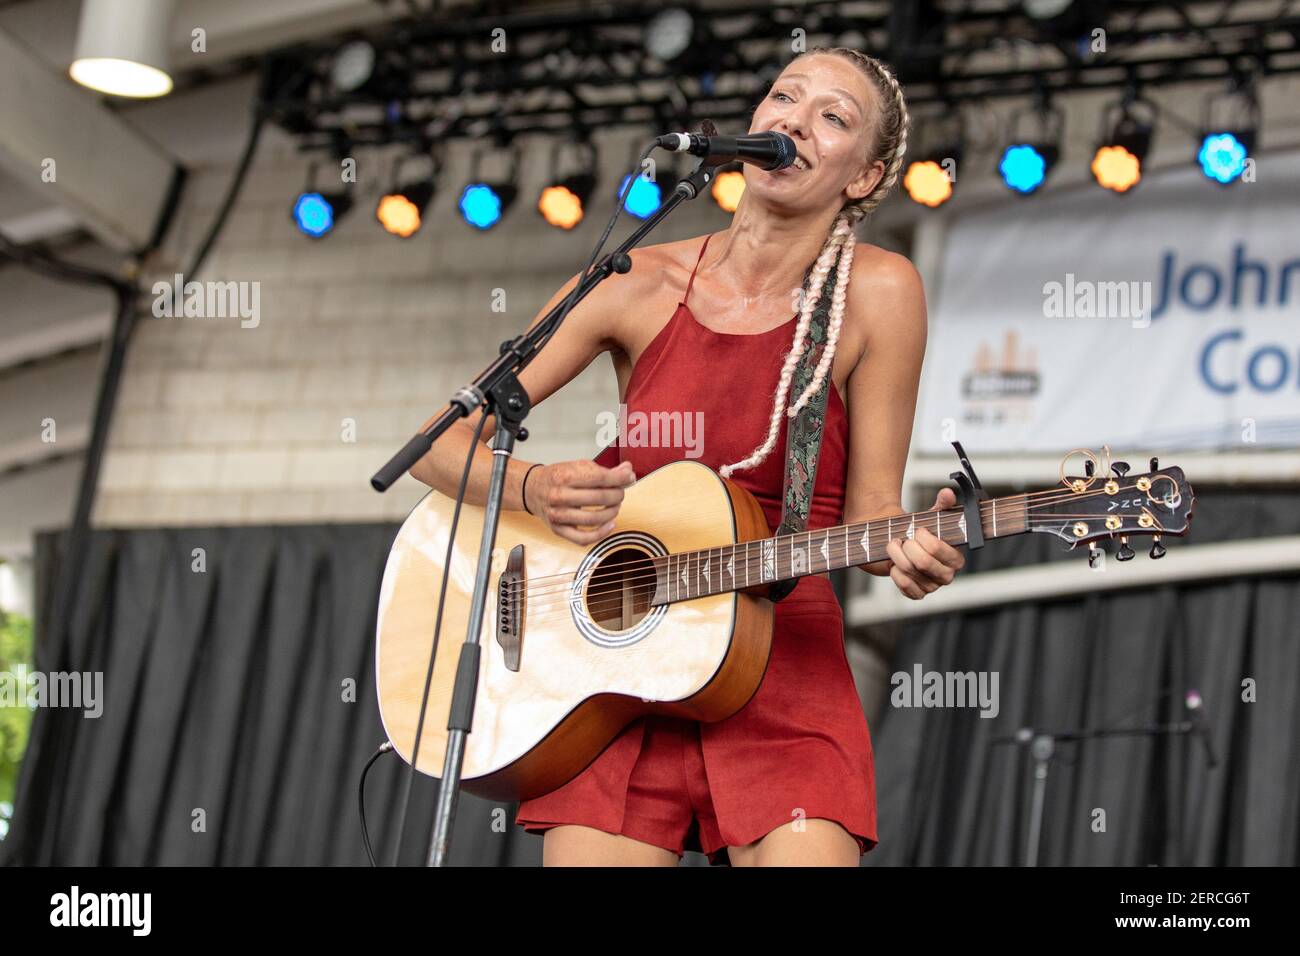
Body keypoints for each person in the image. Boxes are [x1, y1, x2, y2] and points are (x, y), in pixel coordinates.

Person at [409, 46, 965, 866]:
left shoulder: (881, 292)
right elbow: (436, 444)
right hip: (614, 661)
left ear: (863, 176)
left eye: (832, 117)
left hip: (779, 650)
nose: (793, 121)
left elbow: (875, 513)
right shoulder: (636, 276)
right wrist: (533, 486)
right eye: (784, 97)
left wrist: (912, 549)